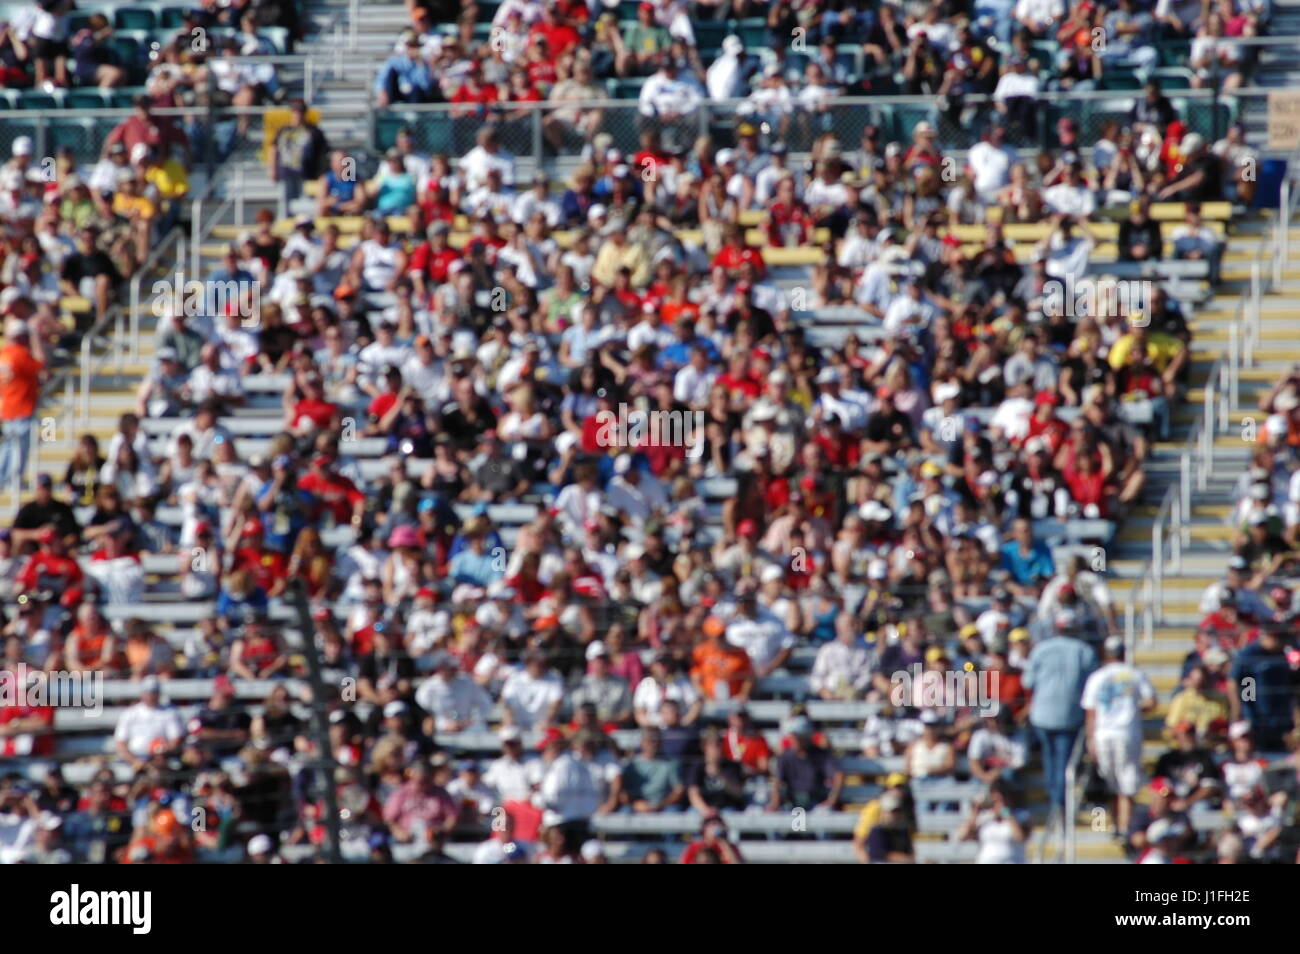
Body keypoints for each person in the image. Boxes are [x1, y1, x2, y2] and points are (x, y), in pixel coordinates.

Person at [1081, 636, 1157, 835]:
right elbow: (1151, 702)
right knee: (1127, 783)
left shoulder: (1097, 677)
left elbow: (1091, 712)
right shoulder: (1134, 674)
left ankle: (1114, 826)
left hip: (1103, 734)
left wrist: (1091, 740)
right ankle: (1125, 827)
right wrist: (1133, 708)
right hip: (1127, 732)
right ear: (1123, 653)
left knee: (1110, 783)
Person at [1023, 620, 1097, 825]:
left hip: (1042, 714)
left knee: (1052, 759)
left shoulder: (1040, 650)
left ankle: (1057, 802)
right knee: (1063, 761)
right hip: (1069, 715)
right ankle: (1059, 804)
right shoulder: (1084, 650)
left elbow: (1027, 682)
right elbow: (1091, 684)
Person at [0, 316, 45, 490]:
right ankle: (13, 481)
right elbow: (41, 366)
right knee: (19, 448)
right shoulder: (20, 354)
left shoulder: (3, 354)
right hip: (22, 408)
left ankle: (3, 480)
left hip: (7, 409)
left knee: (7, 448)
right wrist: (36, 341)